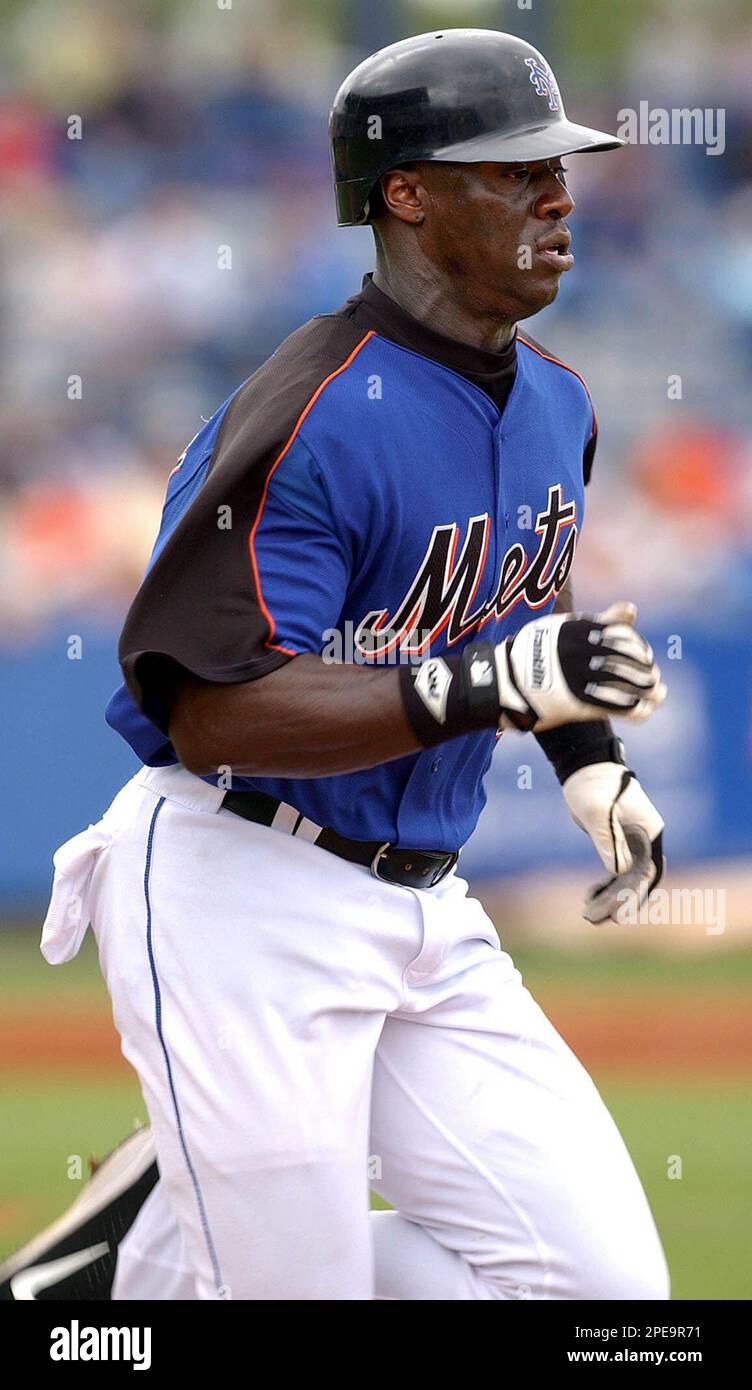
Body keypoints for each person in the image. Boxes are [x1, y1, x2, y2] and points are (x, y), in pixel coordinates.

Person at [2, 29, 669, 1302]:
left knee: (608, 1308)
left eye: (558, 166)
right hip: (241, 880)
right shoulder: (311, 409)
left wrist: (584, 757)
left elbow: (522, 591)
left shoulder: (557, 401)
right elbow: (210, 710)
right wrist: (488, 690)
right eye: (514, 168)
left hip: (424, 906)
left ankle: (149, 1252)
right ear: (406, 195)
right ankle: (134, 1276)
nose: (557, 194)